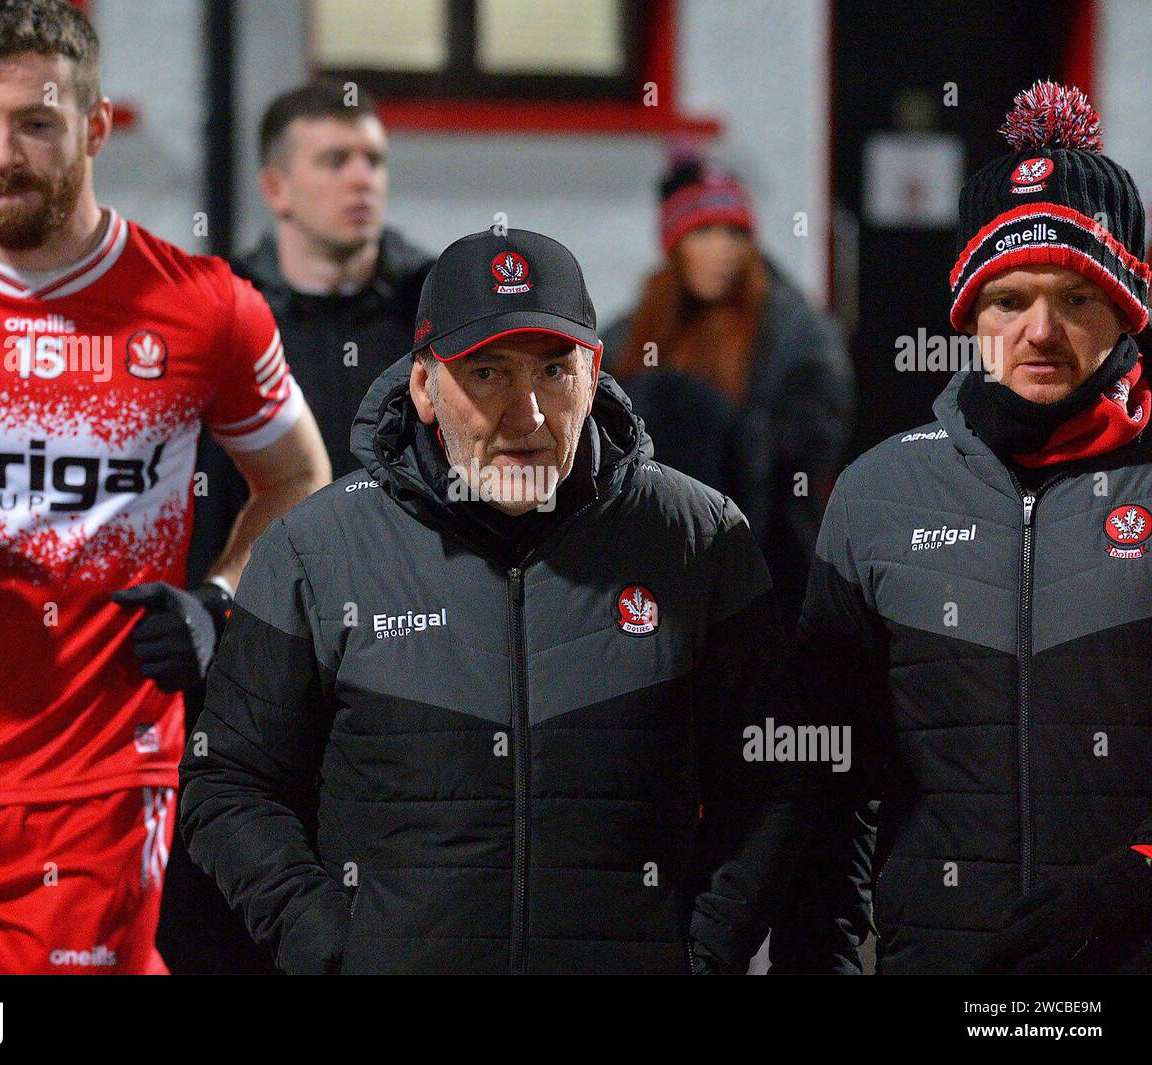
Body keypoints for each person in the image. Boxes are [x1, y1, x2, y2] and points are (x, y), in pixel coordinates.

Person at [180, 228, 817, 974]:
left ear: (595, 369)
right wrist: (331, 943)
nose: (530, 416)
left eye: (554, 370)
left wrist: (700, 950)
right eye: (487, 373)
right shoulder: (317, 551)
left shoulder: (697, 539)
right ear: (423, 387)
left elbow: (774, 776)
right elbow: (226, 781)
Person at [0, 0, 329, 974]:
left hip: (99, 784)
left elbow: (298, 480)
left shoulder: (203, 309)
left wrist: (218, 608)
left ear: (97, 124)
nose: (2, 153)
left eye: (35, 122)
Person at [774, 82, 1152, 975]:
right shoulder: (877, 499)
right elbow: (830, 789)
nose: (1040, 330)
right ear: (968, 314)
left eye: (1077, 297)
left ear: (1128, 311)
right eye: (1008, 299)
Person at [164, 79, 432, 974]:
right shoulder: (221, 314)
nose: (363, 179)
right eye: (335, 160)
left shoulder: (434, 317)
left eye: (375, 159)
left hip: (397, 672)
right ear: (277, 187)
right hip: (243, 670)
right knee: (223, 921)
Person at [605, 158, 855, 624]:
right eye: (704, 233)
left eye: (735, 234)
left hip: (769, 554)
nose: (722, 250)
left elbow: (813, 436)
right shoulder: (635, 328)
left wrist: (727, 438)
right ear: (675, 243)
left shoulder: (794, 329)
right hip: (652, 554)